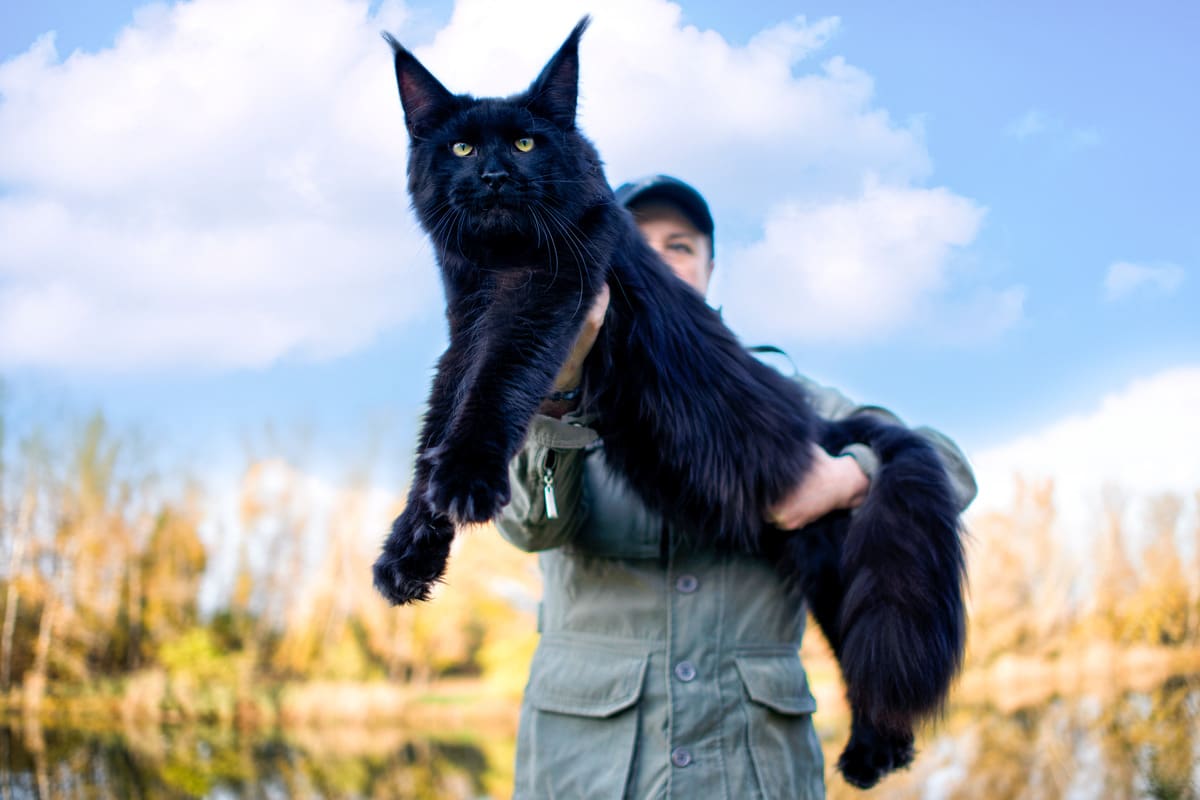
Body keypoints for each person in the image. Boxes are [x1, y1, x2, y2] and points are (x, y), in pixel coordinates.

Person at [497, 175, 977, 799]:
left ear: (710, 267)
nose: (660, 260)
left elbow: (947, 466)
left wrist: (843, 477)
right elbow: (531, 527)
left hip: (752, 766)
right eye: (637, 242)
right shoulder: (545, 382)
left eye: (680, 245)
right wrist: (557, 393)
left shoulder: (787, 394)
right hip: (589, 768)